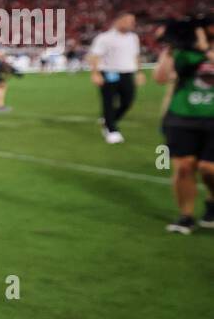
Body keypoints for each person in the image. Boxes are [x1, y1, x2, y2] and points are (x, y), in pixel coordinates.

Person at [154, 19, 214, 234]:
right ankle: (185, 217)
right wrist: (170, 48)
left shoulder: (205, 50)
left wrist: (205, 48)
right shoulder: (183, 52)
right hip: (182, 116)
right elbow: (160, 78)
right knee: (183, 168)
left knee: (209, 168)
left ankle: (212, 202)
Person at [88, 12, 142, 144]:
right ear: (118, 20)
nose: (132, 24)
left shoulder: (133, 38)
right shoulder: (104, 38)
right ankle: (111, 130)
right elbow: (95, 56)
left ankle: (108, 120)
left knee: (127, 101)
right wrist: (95, 73)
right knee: (108, 101)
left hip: (127, 73)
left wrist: (139, 72)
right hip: (109, 72)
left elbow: (136, 55)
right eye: (129, 21)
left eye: (133, 21)